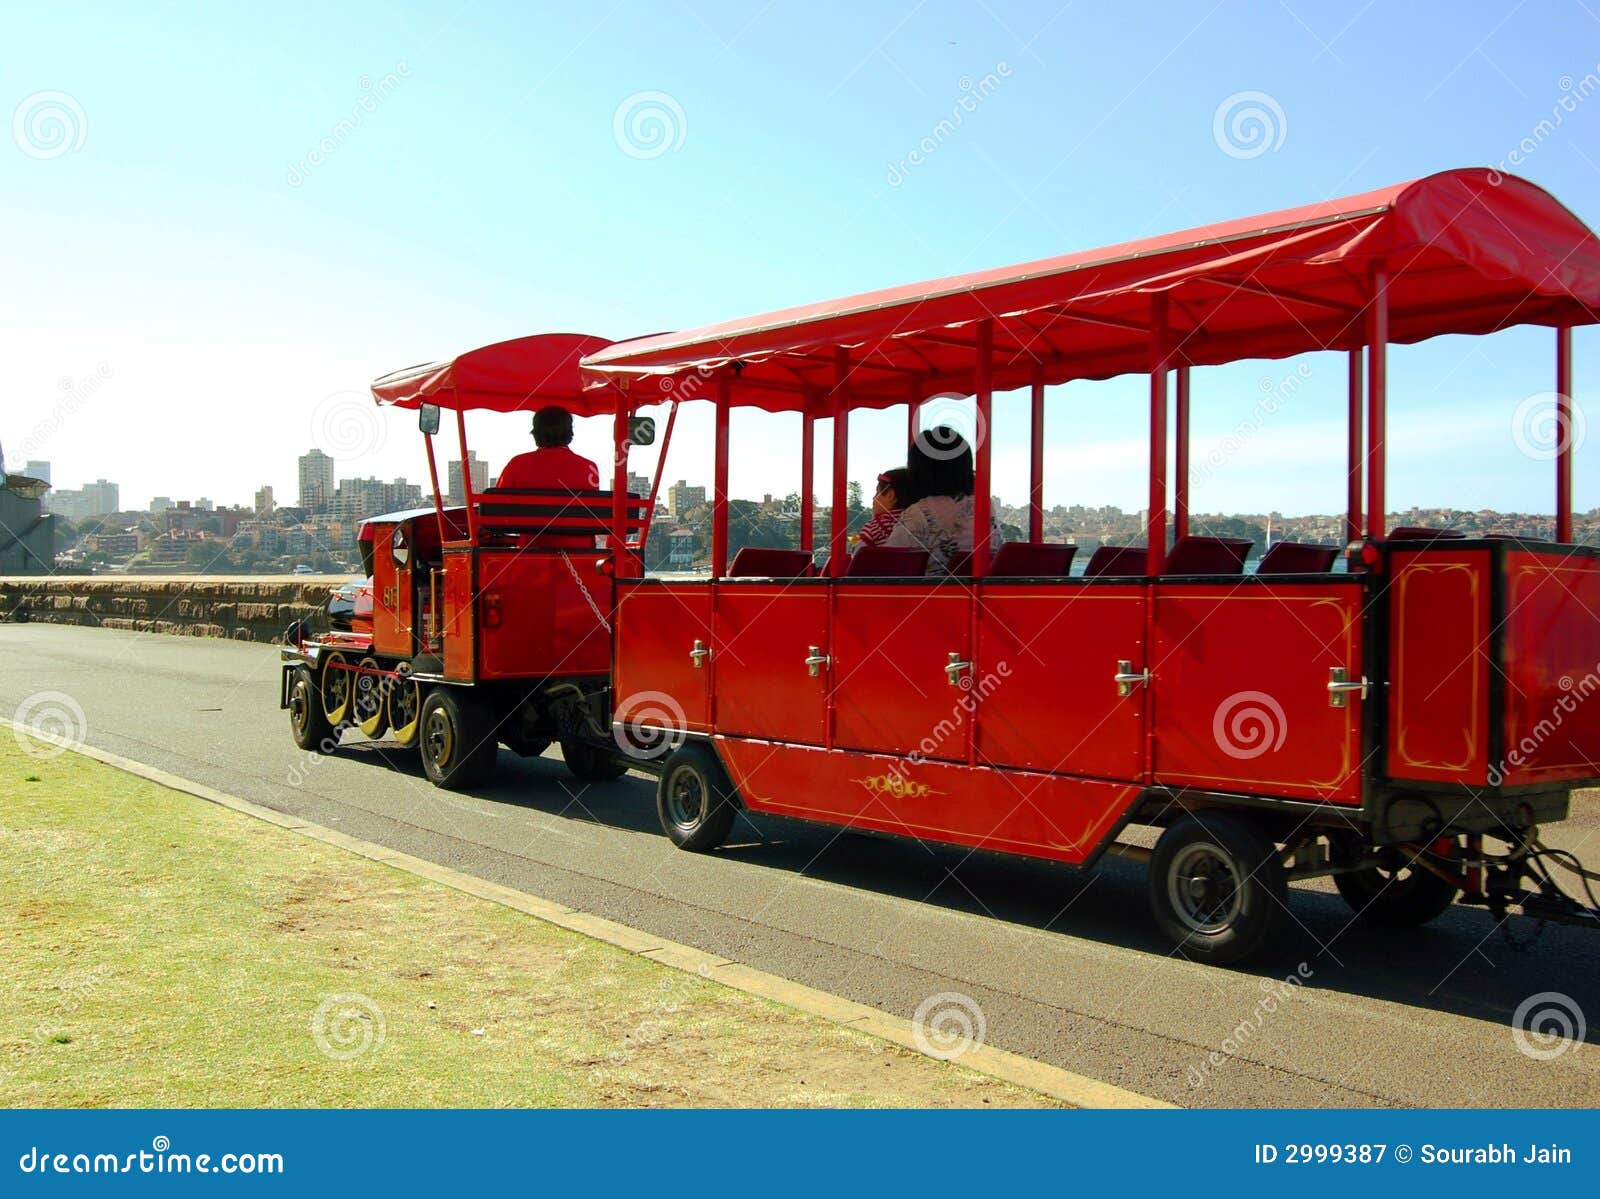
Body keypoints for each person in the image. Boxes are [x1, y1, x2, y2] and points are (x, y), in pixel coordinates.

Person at [884, 426, 1001, 575]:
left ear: (919, 471)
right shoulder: (986, 505)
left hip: (928, 594)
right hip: (979, 590)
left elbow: (889, 565)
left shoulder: (919, 513)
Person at [495, 406, 601, 492]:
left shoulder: (517, 464)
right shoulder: (589, 467)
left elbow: (497, 505)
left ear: (535, 433)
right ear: (570, 432)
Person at [855, 468, 910, 550]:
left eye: (877, 492)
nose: (873, 498)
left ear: (890, 495)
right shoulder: (913, 523)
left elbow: (859, 553)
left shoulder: (874, 527)